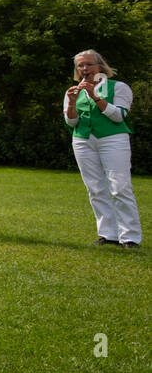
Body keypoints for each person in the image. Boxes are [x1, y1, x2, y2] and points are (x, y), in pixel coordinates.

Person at [65, 49, 141, 248]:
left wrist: (95, 97)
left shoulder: (119, 87)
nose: (84, 69)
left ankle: (130, 236)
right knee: (95, 188)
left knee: (120, 186)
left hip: (113, 138)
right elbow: (71, 122)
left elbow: (119, 116)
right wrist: (72, 103)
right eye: (80, 65)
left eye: (88, 64)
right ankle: (108, 234)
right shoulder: (73, 91)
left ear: (100, 66)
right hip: (82, 140)